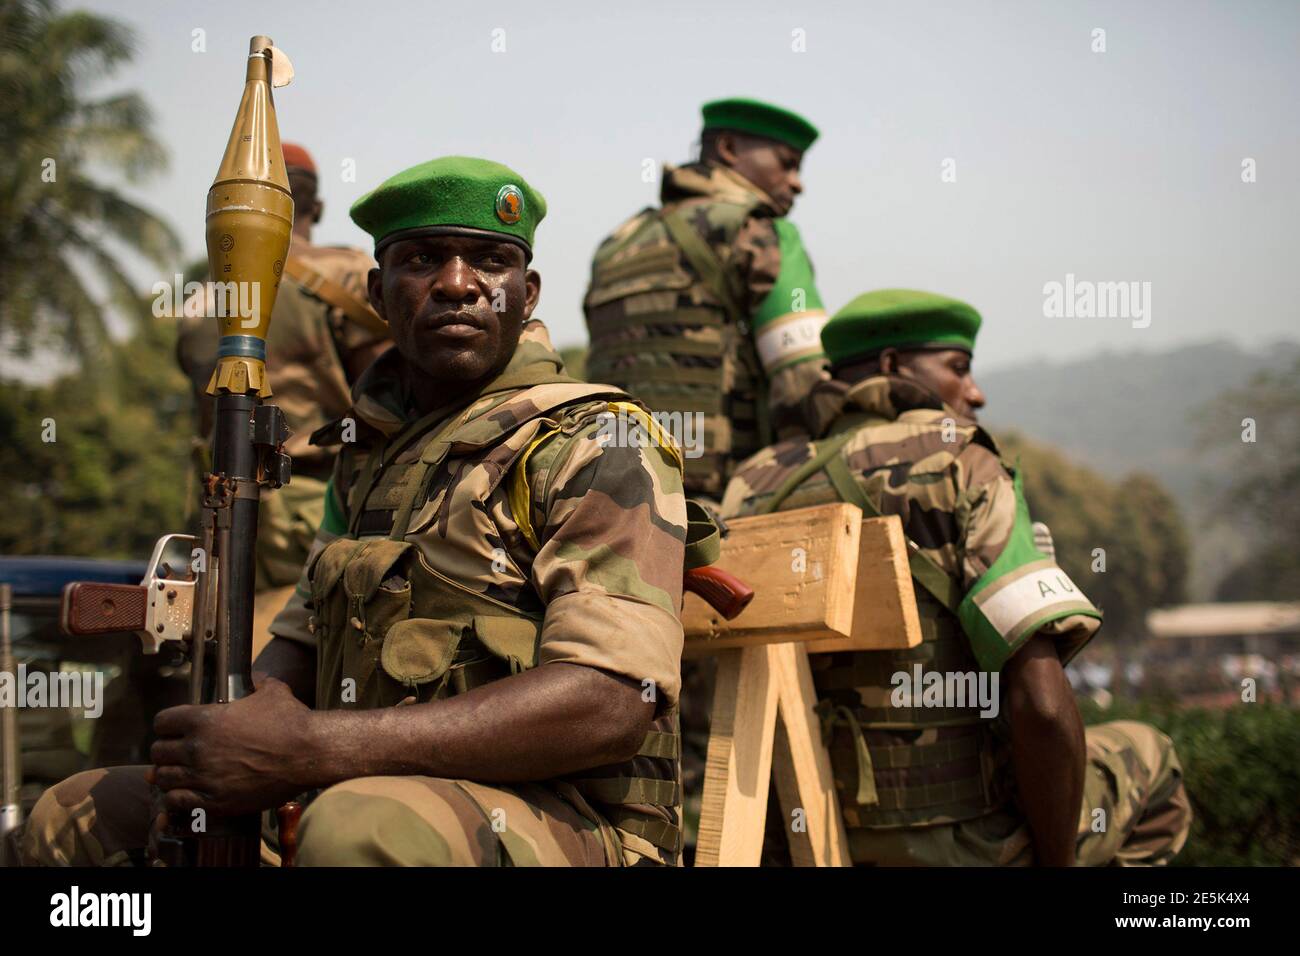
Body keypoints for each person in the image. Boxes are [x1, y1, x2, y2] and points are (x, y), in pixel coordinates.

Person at [22, 157, 690, 867]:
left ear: (525, 295)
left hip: (570, 822)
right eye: (423, 259)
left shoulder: (592, 439)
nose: (458, 284)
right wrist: (239, 734)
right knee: (77, 813)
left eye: (490, 261)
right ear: (377, 293)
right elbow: (300, 643)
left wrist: (312, 750)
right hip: (359, 789)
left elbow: (610, 703)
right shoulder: (367, 456)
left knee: (358, 829)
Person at [721, 289, 1192, 866]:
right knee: (1153, 755)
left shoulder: (753, 484)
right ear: (894, 366)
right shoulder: (962, 464)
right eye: (959, 369)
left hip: (802, 842)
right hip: (965, 845)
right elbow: (1042, 706)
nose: (976, 392)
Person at [583, 97, 831, 502]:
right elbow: (804, 382)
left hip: (612, 495)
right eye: (787, 164)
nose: (797, 183)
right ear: (729, 149)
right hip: (722, 507)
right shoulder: (761, 232)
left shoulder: (617, 242)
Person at [176, 142, 391, 595]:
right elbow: (388, 403)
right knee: (314, 650)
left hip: (220, 508)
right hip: (319, 505)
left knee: (227, 643)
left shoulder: (201, 298)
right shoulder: (348, 275)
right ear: (317, 206)